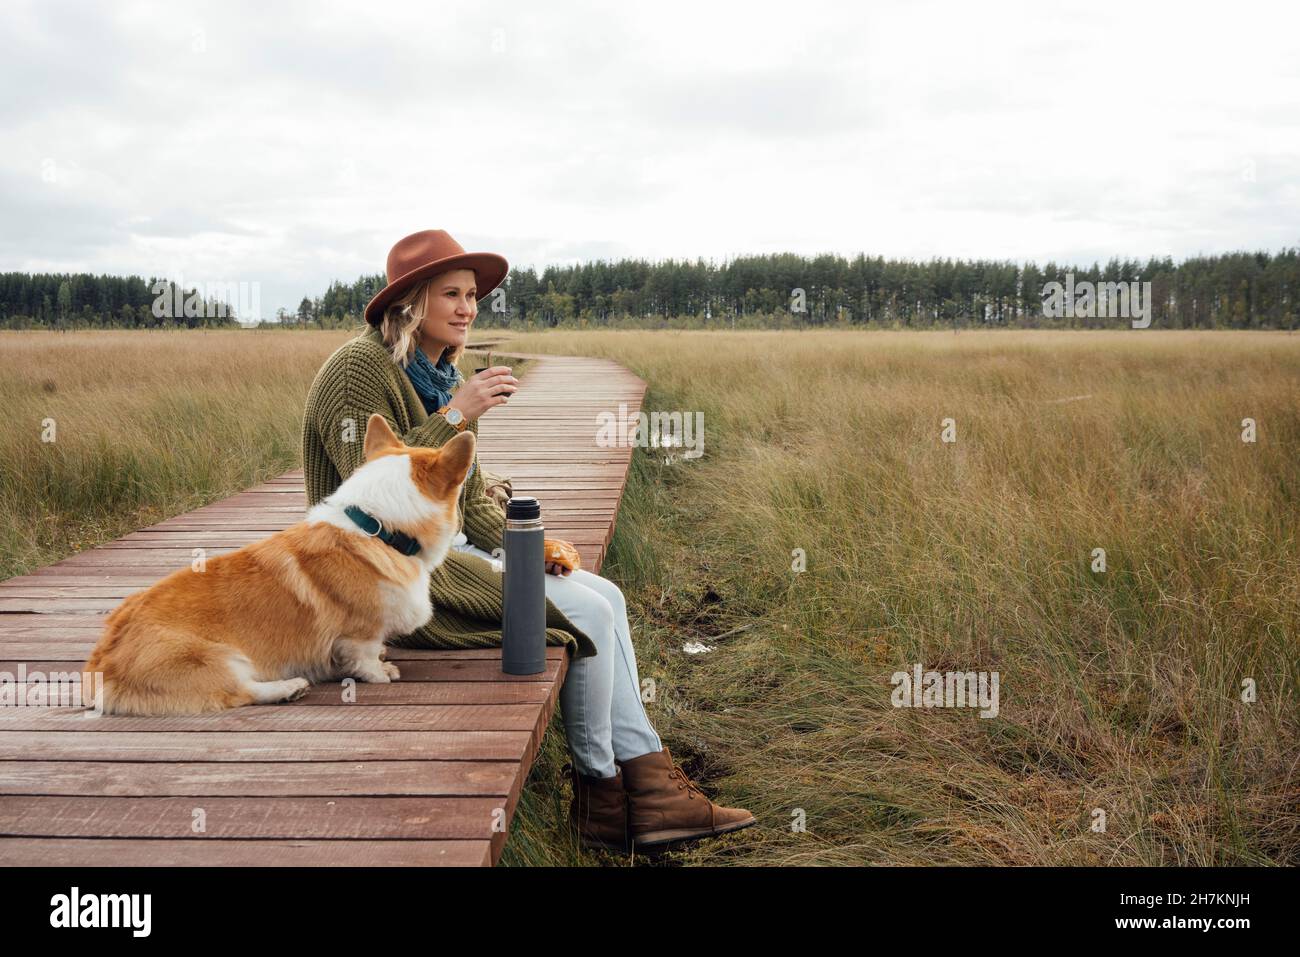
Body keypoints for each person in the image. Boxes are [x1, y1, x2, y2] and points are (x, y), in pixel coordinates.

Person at [300, 229, 754, 852]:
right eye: (452, 294)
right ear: (410, 304)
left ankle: (647, 789)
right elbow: (373, 497)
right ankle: (602, 796)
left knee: (606, 596)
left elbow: (471, 500)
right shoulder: (359, 371)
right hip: (379, 579)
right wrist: (457, 415)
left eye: (473, 296)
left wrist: (526, 543)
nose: (468, 308)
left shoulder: (434, 372)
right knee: (584, 613)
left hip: (436, 558)